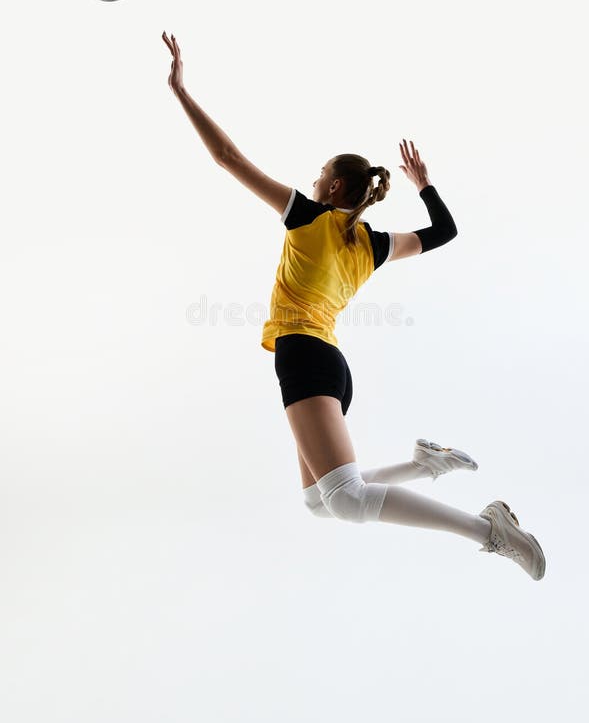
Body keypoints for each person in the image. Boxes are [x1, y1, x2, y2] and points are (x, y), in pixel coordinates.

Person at [162, 31, 546, 581]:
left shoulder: (307, 216)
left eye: (320, 172)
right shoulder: (372, 244)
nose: (313, 177)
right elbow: (445, 231)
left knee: (346, 498)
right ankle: (423, 465)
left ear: (333, 185)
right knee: (322, 501)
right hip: (327, 366)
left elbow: (226, 156)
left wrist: (181, 92)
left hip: (305, 357)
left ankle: (490, 530)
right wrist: (426, 185)